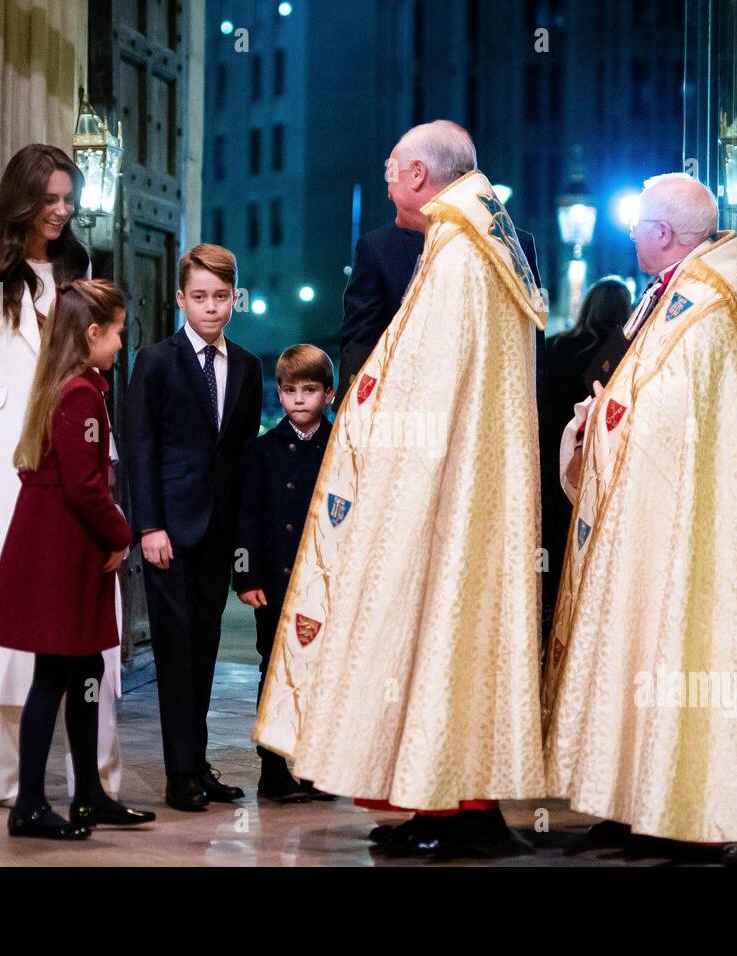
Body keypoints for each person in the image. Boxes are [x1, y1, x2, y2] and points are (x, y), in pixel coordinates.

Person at [255, 120, 547, 859]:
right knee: (425, 636)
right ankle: (431, 800)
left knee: (449, 631)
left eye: (392, 168)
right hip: (457, 475)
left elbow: (425, 373)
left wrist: (370, 424)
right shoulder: (478, 235)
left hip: (446, 484)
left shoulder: (460, 249)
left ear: (419, 174)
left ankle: (466, 809)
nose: (386, 180)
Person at [544, 173, 737, 866]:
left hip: (690, 521)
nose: (631, 235)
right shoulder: (671, 296)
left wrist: (603, 417)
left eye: (638, 226)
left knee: (697, 652)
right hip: (652, 516)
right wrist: (600, 413)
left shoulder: (703, 305)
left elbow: (674, 417)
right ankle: (644, 799)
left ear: (663, 235)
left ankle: (726, 809)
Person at [0, 144, 124, 805]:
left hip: (73, 453)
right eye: (50, 199)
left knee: (89, 614)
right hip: (0, 462)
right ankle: (13, 784)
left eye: (68, 198)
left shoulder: (77, 266)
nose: (62, 210)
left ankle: (94, 782)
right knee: (18, 615)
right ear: (22, 198)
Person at [0, 279, 154, 839]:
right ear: (93, 333)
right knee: (53, 675)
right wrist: (123, 534)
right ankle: (28, 805)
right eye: (119, 333)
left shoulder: (70, 385)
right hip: (65, 549)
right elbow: (84, 486)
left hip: (61, 543)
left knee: (85, 670)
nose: (123, 343)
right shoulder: (80, 394)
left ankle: (89, 797)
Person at [125, 243, 264, 812]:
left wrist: (242, 542)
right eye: (200, 297)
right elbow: (140, 449)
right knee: (176, 653)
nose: (211, 307)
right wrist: (149, 526)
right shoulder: (156, 361)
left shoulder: (250, 368)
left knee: (204, 650)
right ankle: (179, 774)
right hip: (169, 533)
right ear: (180, 298)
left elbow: (241, 458)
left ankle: (198, 764)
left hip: (218, 534)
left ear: (236, 298)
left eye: (222, 296)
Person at [335, 124, 542, 406]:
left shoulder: (511, 245)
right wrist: (353, 414)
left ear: (418, 174)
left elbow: (530, 352)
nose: (387, 190)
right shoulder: (378, 249)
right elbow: (360, 343)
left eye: (391, 174)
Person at [234, 344, 336, 803]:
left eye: (309, 390)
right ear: (279, 392)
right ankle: (273, 769)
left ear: (328, 395)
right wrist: (246, 576)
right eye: (290, 390)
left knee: (320, 672)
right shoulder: (262, 451)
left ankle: (315, 767)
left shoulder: (340, 449)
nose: (298, 399)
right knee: (274, 670)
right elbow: (247, 516)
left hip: (323, 582)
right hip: (274, 581)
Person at [538, 278, 632, 640]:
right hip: (599, 465)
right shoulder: (627, 356)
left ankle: (550, 616)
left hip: (552, 464)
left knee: (555, 541)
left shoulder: (556, 347)